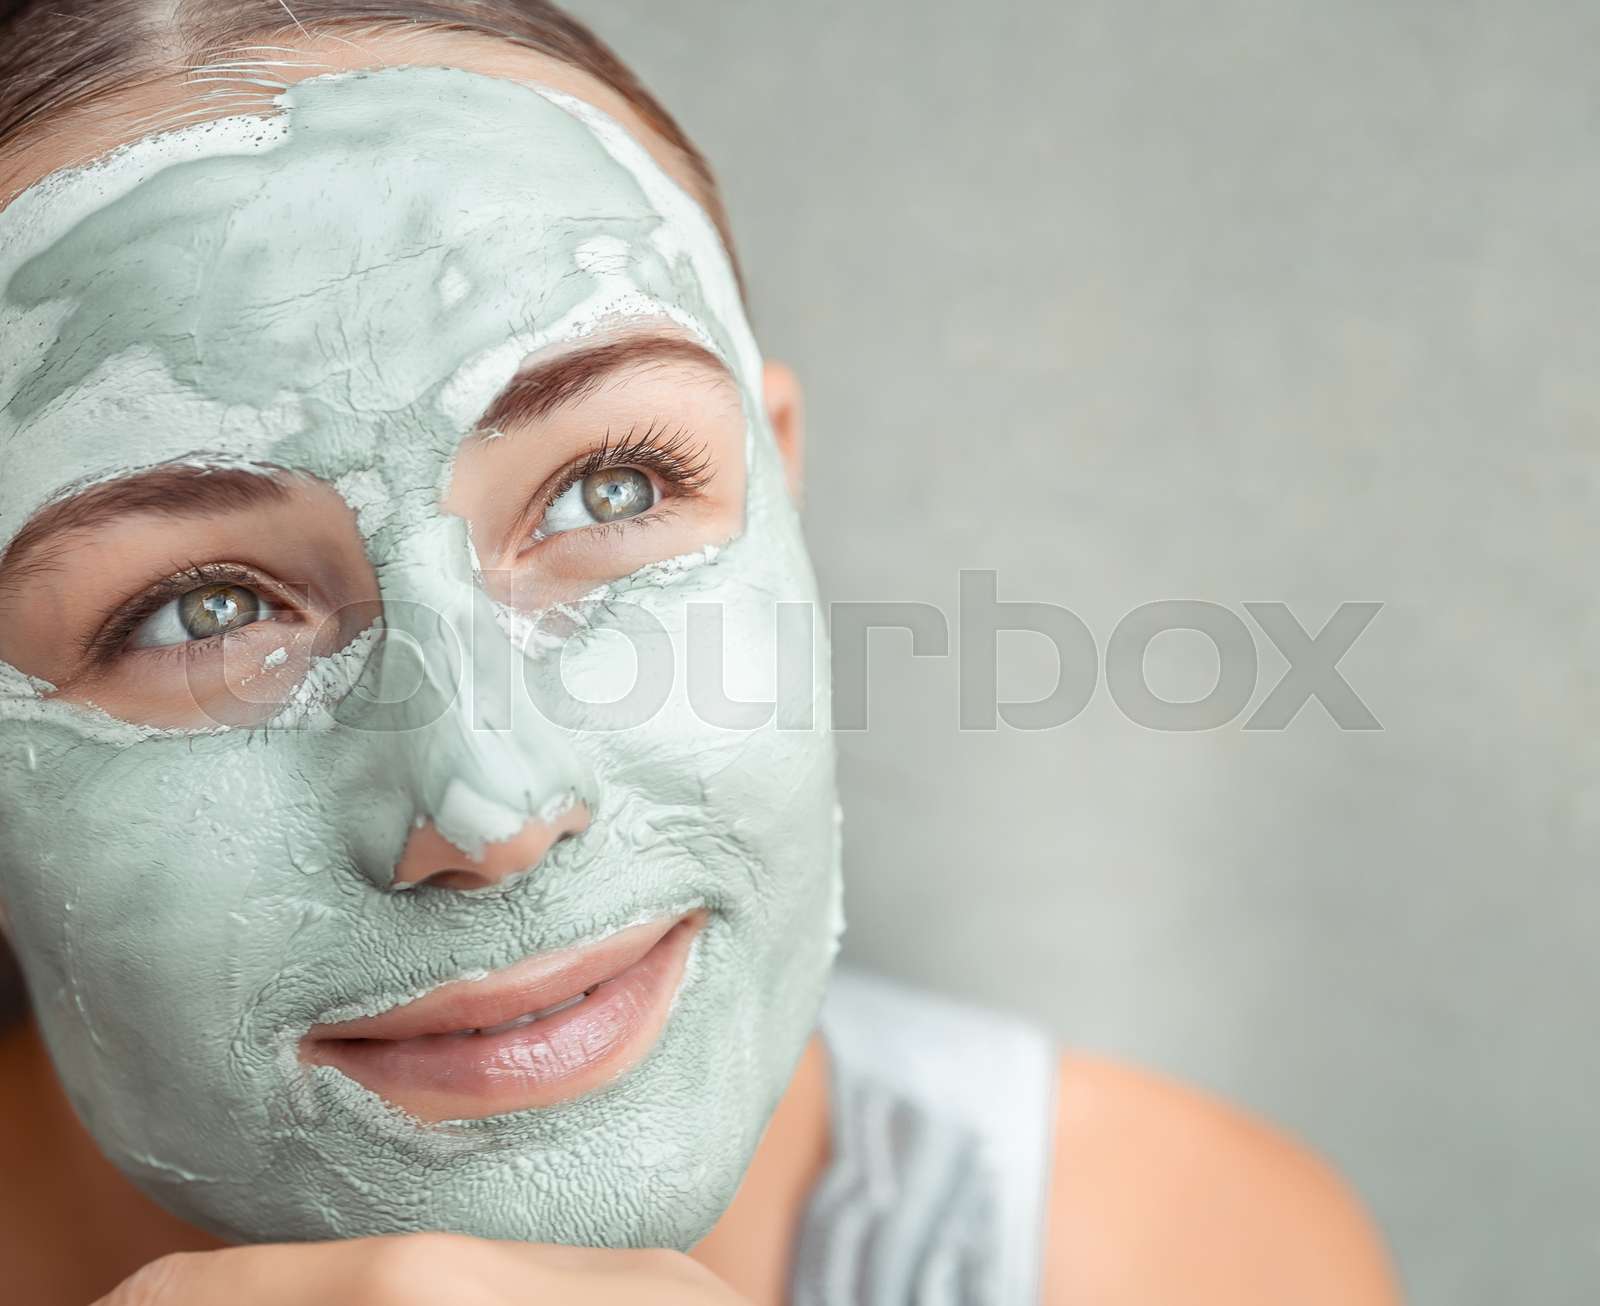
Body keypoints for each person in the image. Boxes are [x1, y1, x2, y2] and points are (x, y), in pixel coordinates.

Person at [0, 4, 1402, 1304]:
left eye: (607, 490)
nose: (495, 814)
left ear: (779, 484)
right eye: (200, 611)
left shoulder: (1182, 1255)